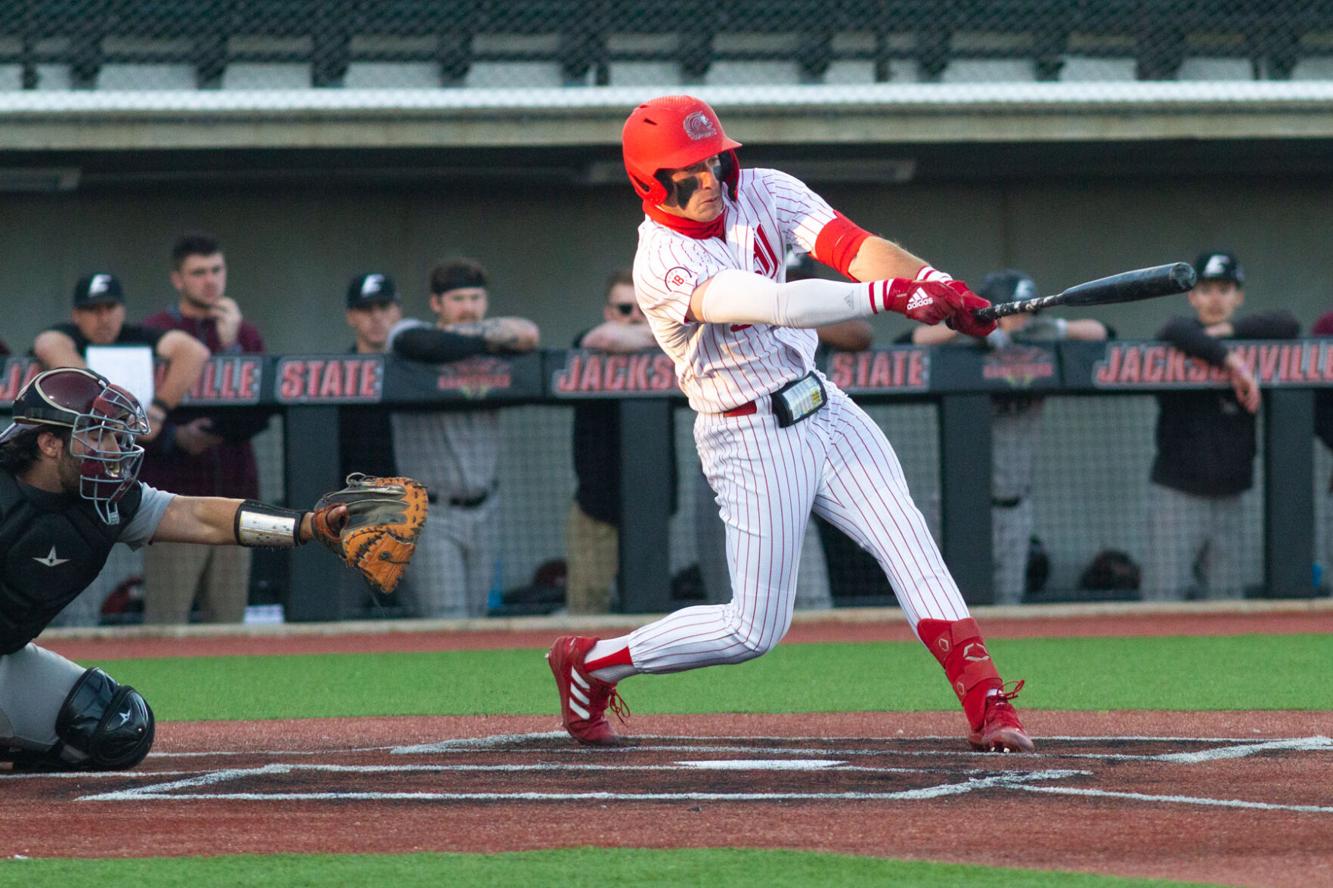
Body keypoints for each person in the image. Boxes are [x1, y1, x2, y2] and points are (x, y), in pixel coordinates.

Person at [546, 94, 1034, 754]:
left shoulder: (766, 190)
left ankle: (988, 703)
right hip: (745, 433)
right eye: (685, 172)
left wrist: (941, 287)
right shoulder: (660, 262)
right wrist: (891, 297)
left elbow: (855, 248)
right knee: (752, 629)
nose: (707, 182)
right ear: (648, 182)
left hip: (819, 403)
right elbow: (776, 303)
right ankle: (591, 663)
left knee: (906, 539)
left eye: (714, 163)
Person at [0, 368, 354, 771]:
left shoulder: (106, 500)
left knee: (116, 727)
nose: (114, 448)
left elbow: (197, 515)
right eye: (98, 435)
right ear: (49, 443)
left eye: (115, 435)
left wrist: (307, 525)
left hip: (7, 656)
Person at [910, 269, 1110, 605]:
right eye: (1014, 311)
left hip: (1016, 507)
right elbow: (915, 340)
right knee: (945, 599)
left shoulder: (1041, 343)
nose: (1022, 320)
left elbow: (1102, 333)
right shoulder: (967, 345)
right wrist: (973, 327)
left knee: (1008, 605)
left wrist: (1053, 328)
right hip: (960, 506)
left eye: (1027, 311)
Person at [693, 253, 873, 610]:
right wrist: (773, 309)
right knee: (739, 596)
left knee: (808, 594)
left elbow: (860, 333)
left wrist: (797, 310)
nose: (785, 284)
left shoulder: (811, 306)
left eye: (795, 279)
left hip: (801, 437)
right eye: (781, 278)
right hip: (736, 446)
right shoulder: (732, 295)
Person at [1142, 250, 1299, 601]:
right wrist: (1232, 363)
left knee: (1227, 604)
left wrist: (1227, 334)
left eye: (1225, 289)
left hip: (1231, 496)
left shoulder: (1253, 336)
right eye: (1207, 288)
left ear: (1238, 296)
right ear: (1192, 295)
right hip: (1177, 494)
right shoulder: (1180, 338)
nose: (1216, 298)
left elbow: (1288, 323)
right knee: (1160, 601)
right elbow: (1173, 327)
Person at [388, 258, 540, 618]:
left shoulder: (492, 337)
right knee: (447, 618)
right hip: (430, 510)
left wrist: (478, 338)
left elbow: (529, 333)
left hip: (485, 507)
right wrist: (486, 340)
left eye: (475, 298)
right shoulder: (412, 333)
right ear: (436, 303)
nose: (468, 307)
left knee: (477, 619)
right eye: (458, 299)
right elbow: (415, 342)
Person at [139, 233, 270, 624]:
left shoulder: (244, 334)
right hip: (174, 503)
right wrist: (176, 438)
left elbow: (262, 414)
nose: (210, 280)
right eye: (198, 273)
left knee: (229, 624)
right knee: (166, 619)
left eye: (216, 270)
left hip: (234, 498)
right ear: (178, 279)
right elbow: (134, 416)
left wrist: (232, 349)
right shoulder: (154, 331)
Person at [565, 269, 665, 615]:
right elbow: (604, 339)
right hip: (596, 506)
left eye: (643, 308)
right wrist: (655, 333)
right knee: (588, 608)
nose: (634, 316)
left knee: (649, 611)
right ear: (609, 311)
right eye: (625, 309)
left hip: (652, 508)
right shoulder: (590, 342)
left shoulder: (672, 349)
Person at [31, 273, 211, 442]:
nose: (104, 318)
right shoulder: (69, 334)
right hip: (78, 442)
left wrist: (157, 411)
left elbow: (194, 352)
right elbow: (48, 344)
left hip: (135, 446)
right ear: (76, 315)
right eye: (93, 309)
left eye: (110, 307)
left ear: (123, 310)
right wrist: (106, 410)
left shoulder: (135, 335)